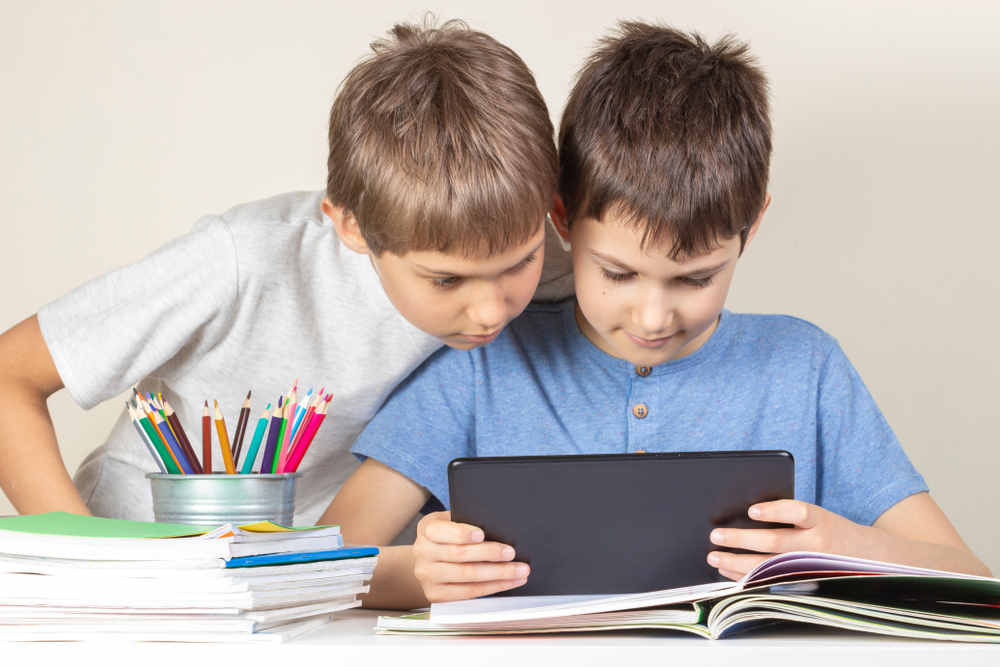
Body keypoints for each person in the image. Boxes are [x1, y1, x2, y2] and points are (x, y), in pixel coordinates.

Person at [321, 21, 991, 610]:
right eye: (616, 273)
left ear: (750, 229)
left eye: (696, 277)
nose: (653, 313)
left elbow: (970, 576)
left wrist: (839, 545)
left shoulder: (805, 366)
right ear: (561, 219)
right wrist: (419, 571)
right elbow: (323, 564)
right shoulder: (481, 367)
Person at [0, 18, 573, 529]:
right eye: (446, 281)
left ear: (549, 210)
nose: (493, 310)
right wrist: (89, 556)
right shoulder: (241, 261)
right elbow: (9, 375)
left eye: (521, 261)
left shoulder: (562, 262)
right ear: (349, 226)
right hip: (139, 552)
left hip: (319, 580)